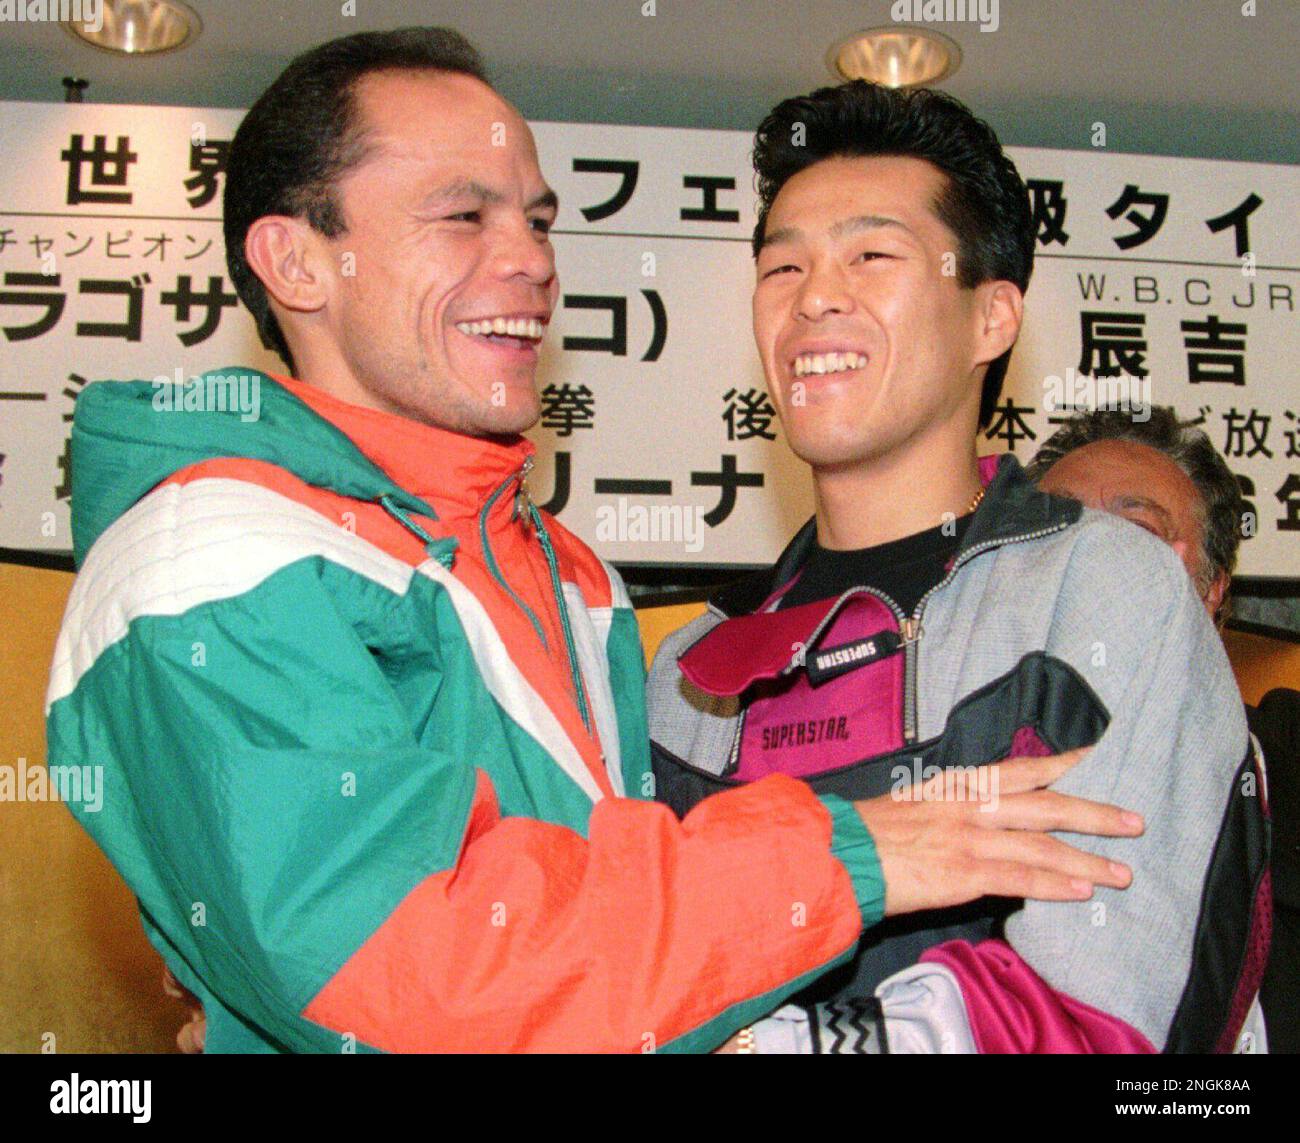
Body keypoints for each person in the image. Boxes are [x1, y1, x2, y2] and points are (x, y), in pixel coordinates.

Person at [44, 28, 1138, 1054]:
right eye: (462, 217)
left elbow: (625, 964)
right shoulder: (208, 556)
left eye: (537, 218)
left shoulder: (571, 580)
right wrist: (847, 852)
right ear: (295, 263)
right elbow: (419, 968)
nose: (528, 260)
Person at [648, 81, 1270, 1053]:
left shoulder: (1106, 591)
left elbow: (1105, 1015)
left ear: (991, 318)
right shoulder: (690, 670)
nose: (814, 296)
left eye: (871, 255)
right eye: (782, 265)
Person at [1026, 406, 1296, 1053]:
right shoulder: (946, 784)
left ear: (1210, 591)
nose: (1090, 559)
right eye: (1055, 531)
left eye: (1134, 533)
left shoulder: (1283, 764)